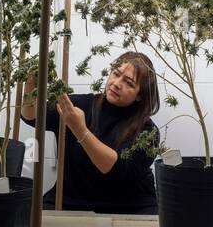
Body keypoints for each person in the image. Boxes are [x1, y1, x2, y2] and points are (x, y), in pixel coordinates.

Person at [19, 51, 161, 214]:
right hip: (71, 200)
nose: (116, 83)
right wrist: (30, 84)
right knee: (34, 222)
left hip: (131, 205)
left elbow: (116, 170)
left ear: (140, 96)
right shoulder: (81, 105)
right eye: (116, 74)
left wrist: (80, 130)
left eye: (128, 83)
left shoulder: (147, 131)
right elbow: (30, 116)